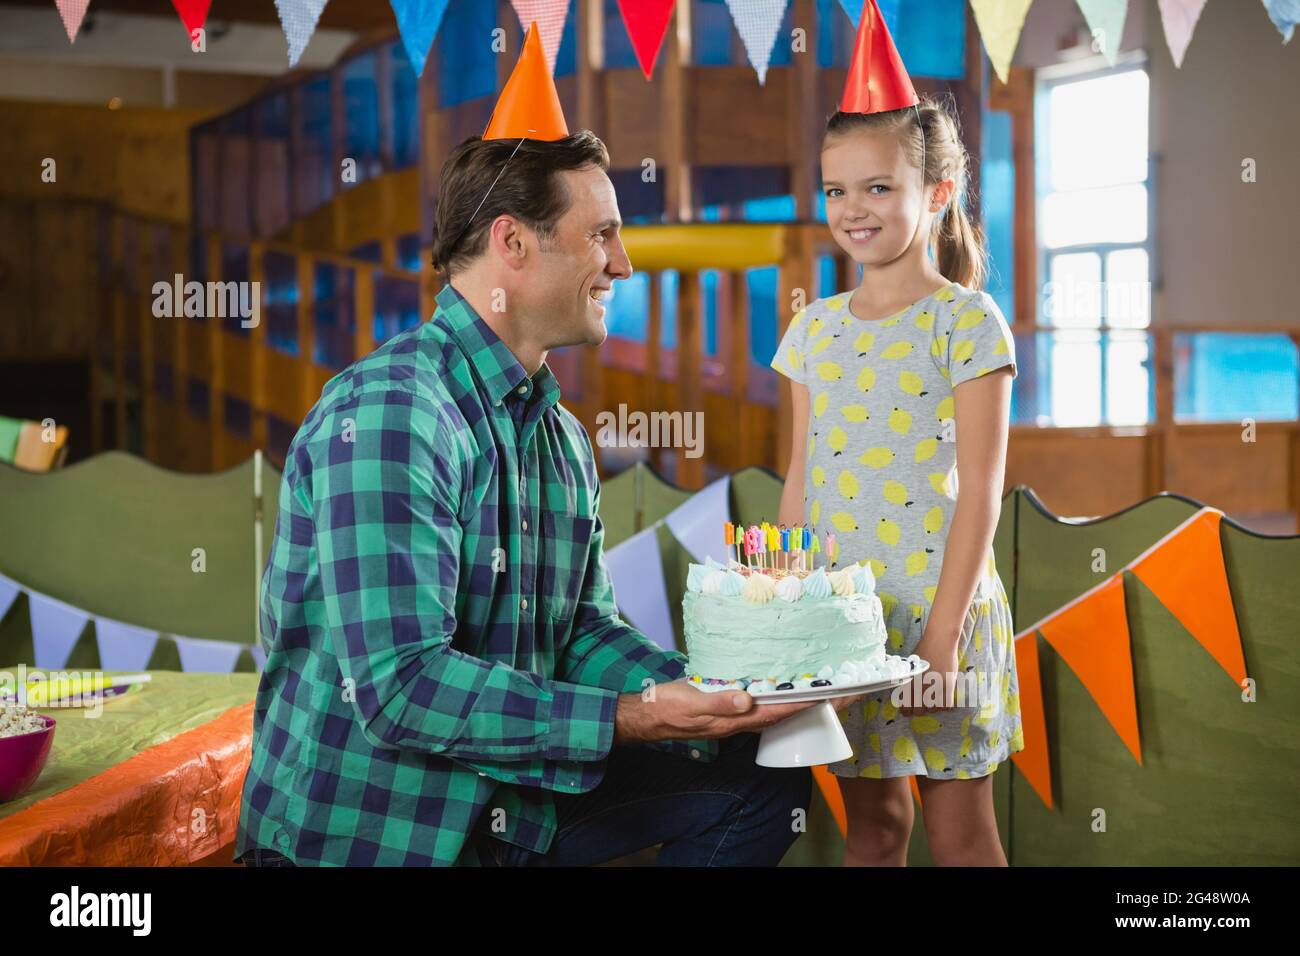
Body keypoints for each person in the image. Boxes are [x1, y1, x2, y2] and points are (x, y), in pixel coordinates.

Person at [236, 26, 850, 868]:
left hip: (511, 808)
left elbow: (578, 633)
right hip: (380, 839)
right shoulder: (388, 414)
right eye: (601, 235)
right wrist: (637, 716)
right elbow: (403, 690)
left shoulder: (558, 437)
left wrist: (709, 691)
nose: (623, 264)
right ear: (513, 245)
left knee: (755, 774)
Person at [770, 4, 1023, 866]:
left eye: (879, 187)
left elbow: (982, 491)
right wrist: (796, 614)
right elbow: (799, 479)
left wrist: (942, 638)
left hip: (938, 617)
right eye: (837, 189)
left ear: (937, 194)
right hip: (848, 625)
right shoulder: (811, 331)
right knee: (873, 827)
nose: (854, 208)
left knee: (960, 837)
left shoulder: (966, 322)